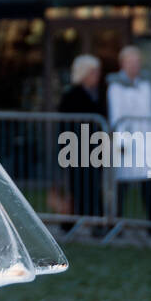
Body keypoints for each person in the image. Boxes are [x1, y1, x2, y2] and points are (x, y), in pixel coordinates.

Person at [106, 46, 151, 235]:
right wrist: (122, 142)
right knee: (121, 186)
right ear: (123, 64)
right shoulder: (115, 87)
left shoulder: (145, 84)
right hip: (128, 141)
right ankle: (114, 225)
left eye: (137, 62)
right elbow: (118, 115)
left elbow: (148, 112)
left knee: (149, 184)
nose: (135, 66)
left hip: (146, 140)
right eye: (131, 62)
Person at [58, 54, 105, 232]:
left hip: (94, 147)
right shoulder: (72, 96)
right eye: (94, 72)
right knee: (78, 187)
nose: (97, 75)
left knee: (93, 185)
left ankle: (96, 222)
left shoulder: (97, 94)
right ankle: (73, 223)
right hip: (76, 148)